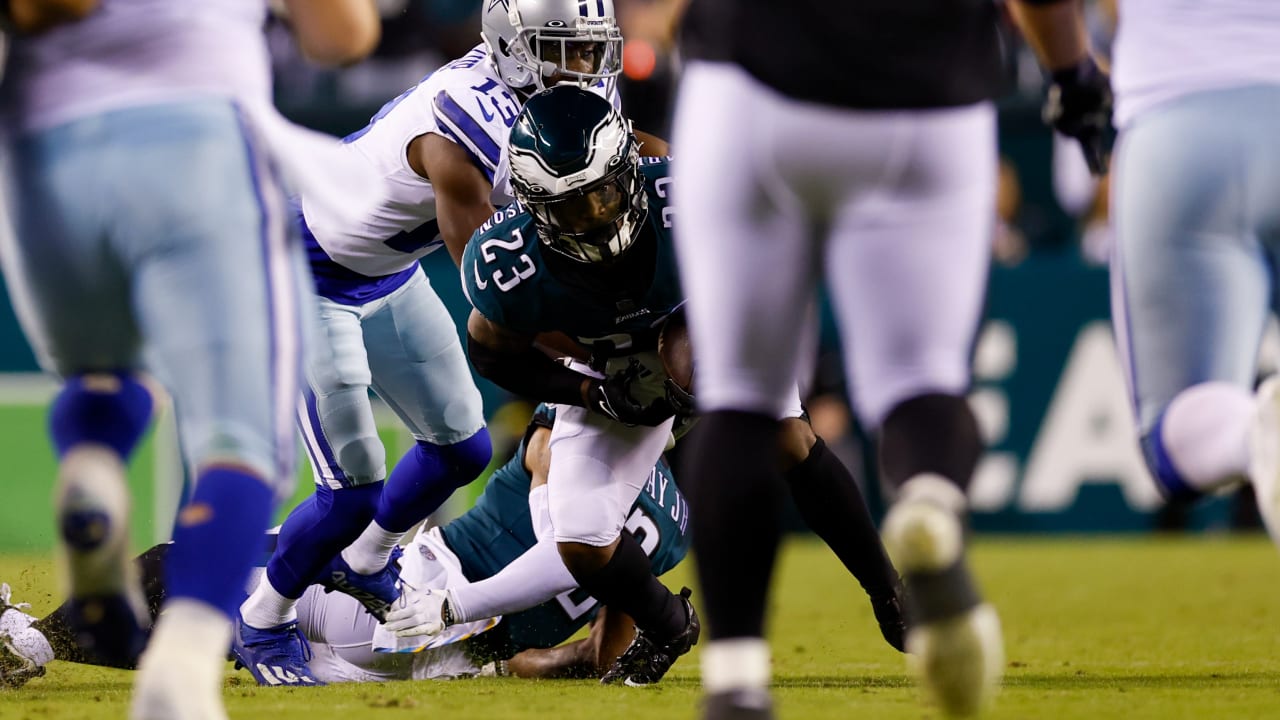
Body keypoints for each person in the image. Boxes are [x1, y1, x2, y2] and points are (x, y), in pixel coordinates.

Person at [389, 85, 908, 686]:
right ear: (534, 208)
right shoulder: (511, 260)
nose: (593, 218)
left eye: (602, 193)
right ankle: (668, 623)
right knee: (581, 539)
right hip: (607, 374)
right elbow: (491, 353)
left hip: (705, 331)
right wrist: (589, 393)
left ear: (628, 173)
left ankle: (889, 592)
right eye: (568, 208)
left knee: (787, 436)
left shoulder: (690, 203)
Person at [231, 0, 649, 686]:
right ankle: (263, 618)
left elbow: (627, 153)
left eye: (589, 49)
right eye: (562, 50)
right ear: (514, 47)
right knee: (353, 489)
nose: (583, 68)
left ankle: (364, 565)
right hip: (303, 273)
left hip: (385, 274)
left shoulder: (571, 91)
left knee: (463, 449)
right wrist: (593, 350)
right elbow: (492, 285)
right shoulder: (460, 126)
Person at [0, 0, 379, 717]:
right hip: (194, 133)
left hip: (40, 152)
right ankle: (183, 659)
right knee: (242, 442)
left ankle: (92, 455)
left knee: (105, 369)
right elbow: (343, 35)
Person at [668, 2, 1011, 718]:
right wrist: (1072, 74)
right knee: (924, 380)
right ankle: (929, 500)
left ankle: (735, 683)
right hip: (928, 91)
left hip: (750, 79)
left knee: (740, 397)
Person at [0, 405, 690, 686]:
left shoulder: (581, 422)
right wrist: (522, 654)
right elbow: (602, 647)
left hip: (410, 593)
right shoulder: (672, 528)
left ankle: (30, 643)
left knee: (186, 570)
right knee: (218, 637)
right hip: (436, 664)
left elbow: (556, 512)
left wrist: (466, 602)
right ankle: (34, 640)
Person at [1012, 3, 1280, 539]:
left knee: (1179, 429)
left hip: (1178, 124)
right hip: (1181, 103)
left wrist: (1071, 74)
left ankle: (1255, 433)